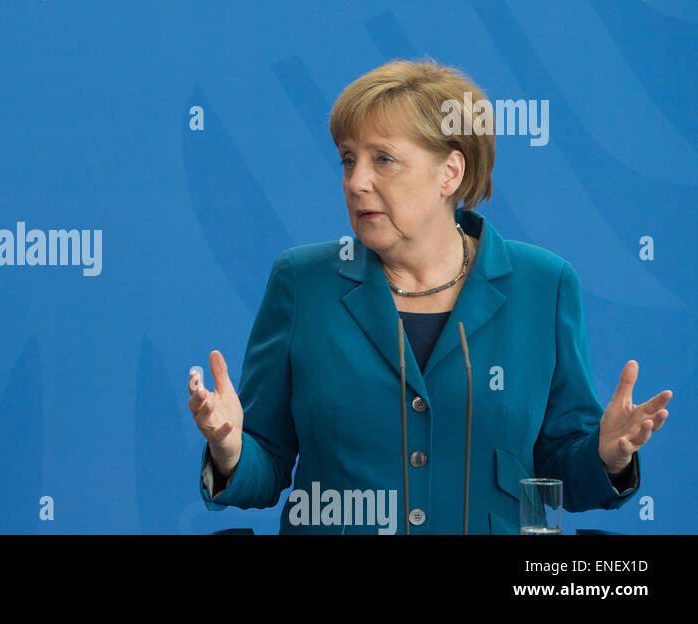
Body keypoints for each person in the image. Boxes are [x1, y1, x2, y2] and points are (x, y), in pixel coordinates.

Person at [187, 60, 672, 534]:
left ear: (450, 173)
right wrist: (230, 453)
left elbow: (557, 472)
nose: (356, 182)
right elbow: (267, 463)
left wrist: (605, 456)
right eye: (348, 159)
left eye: (384, 159)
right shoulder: (301, 282)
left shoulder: (543, 285)